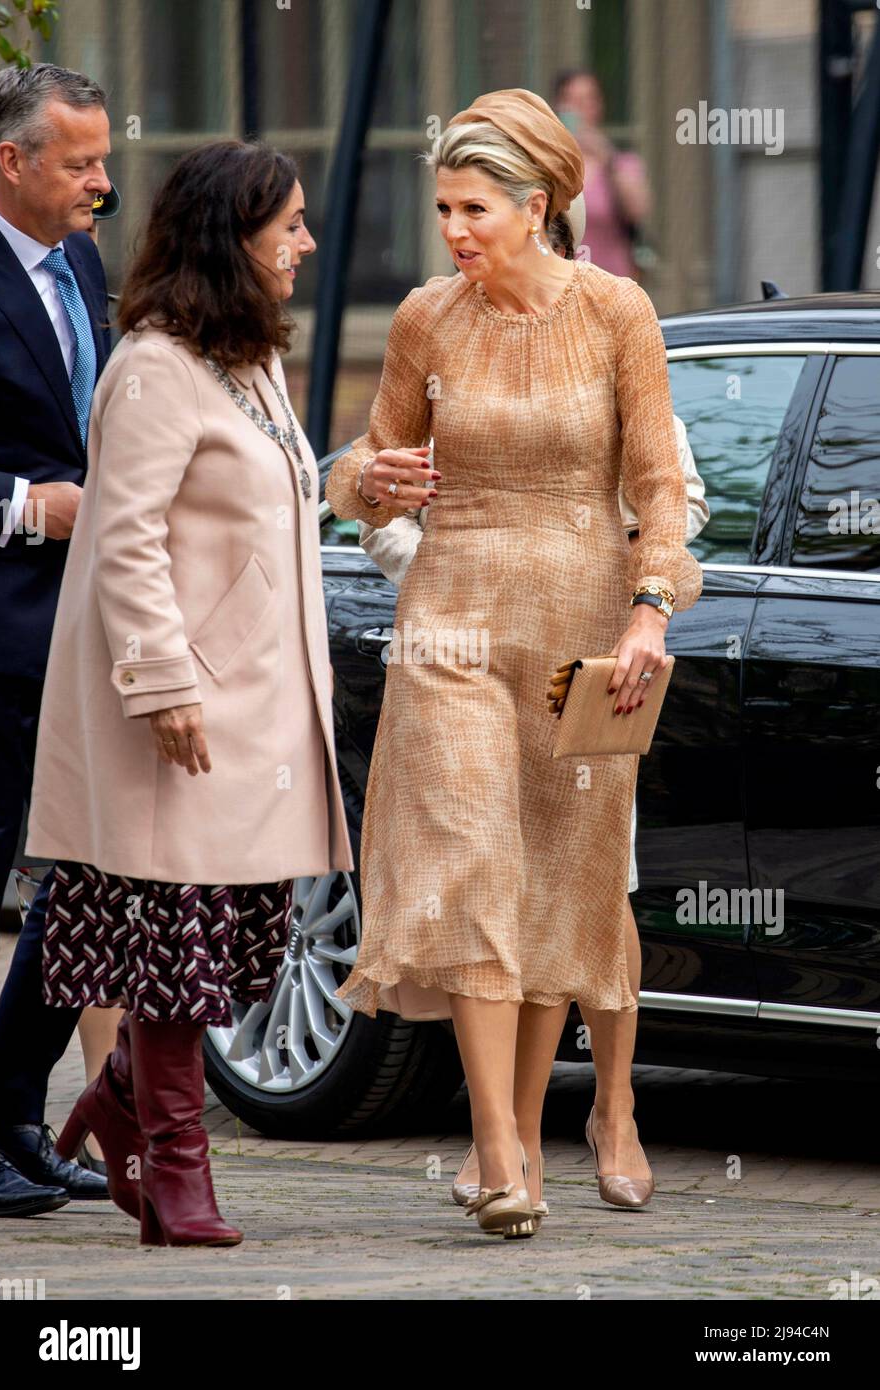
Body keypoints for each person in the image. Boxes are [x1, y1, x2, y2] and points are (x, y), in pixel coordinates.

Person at [325, 88, 702, 1239]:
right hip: (450, 626)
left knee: (555, 882)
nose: (454, 230)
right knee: (474, 861)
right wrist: (365, 484)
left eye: (474, 207)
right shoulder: (426, 319)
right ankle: (497, 1143)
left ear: (535, 205)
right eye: (442, 206)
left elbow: (654, 487)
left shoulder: (616, 313)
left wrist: (650, 609)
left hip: (582, 628)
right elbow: (363, 469)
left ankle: (538, 1135)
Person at [24, 139, 353, 1246]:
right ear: (233, 235)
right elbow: (123, 544)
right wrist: (165, 683)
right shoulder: (156, 365)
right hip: (180, 710)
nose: (306, 243)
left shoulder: (246, 360)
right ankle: (175, 1166)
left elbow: (265, 513)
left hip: (255, 703)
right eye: (291, 225)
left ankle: (116, 1098)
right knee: (176, 941)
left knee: (239, 938)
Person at [0, 62, 113, 1217]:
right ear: (11, 160)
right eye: (80, 164)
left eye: (105, 158)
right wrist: (28, 506)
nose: (102, 183)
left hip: (88, 634)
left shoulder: (80, 260)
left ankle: (12, 1115)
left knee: (87, 880)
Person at [553, 68, 652, 280]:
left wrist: (608, 158)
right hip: (563, 283)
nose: (581, 110)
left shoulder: (620, 162)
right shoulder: (549, 163)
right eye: (573, 101)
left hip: (612, 279)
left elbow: (638, 210)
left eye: (588, 100)